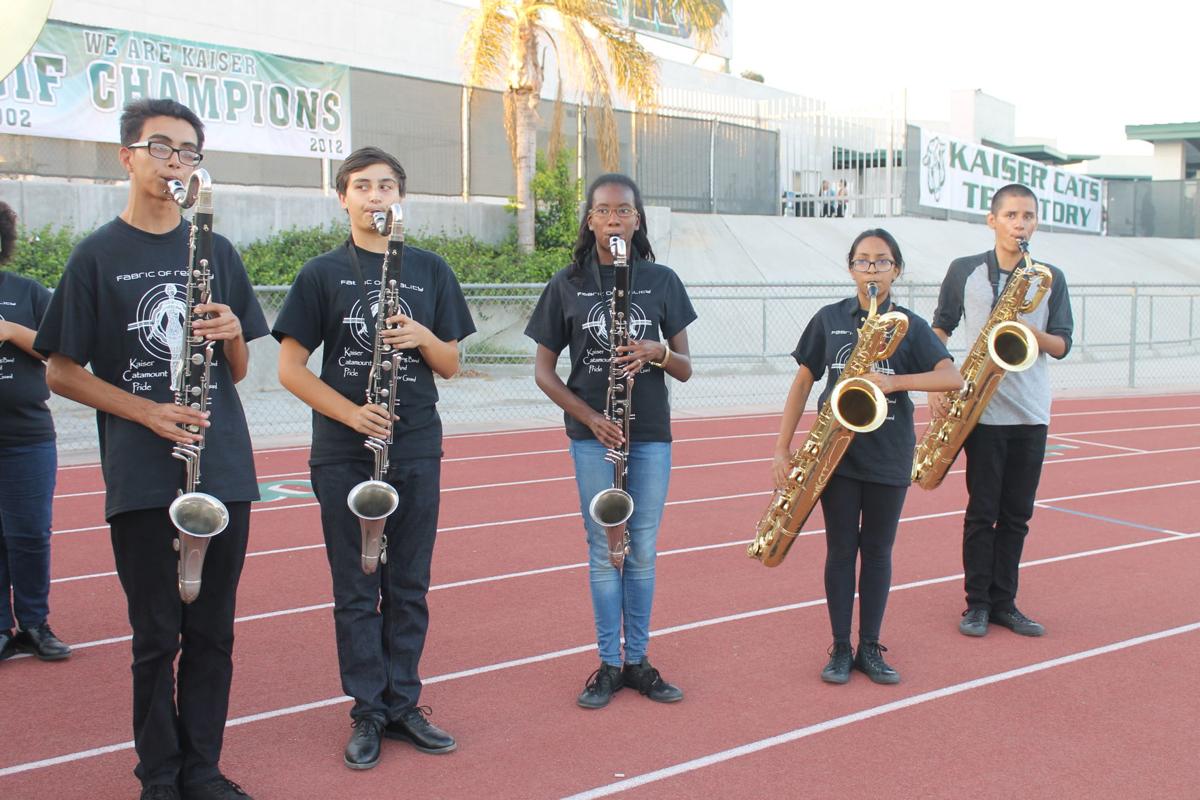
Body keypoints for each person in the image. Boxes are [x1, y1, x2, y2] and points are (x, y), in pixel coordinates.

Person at [34, 98, 268, 800]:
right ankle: (159, 776)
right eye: (161, 147)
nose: (175, 161)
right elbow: (59, 370)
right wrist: (145, 412)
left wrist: (229, 329)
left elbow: (238, 368)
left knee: (213, 634)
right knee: (155, 636)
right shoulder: (97, 255)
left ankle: (203, 770)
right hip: (141, 473)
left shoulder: (216, 248)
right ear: (127, 156)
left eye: (188, 150)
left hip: (219, 466)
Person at [273, 146, 476, 770]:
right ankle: (367, 707)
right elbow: (289, 368)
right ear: (343, 198)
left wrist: (422, 337)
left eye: (386, 185)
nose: (375, 196)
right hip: (344, 450)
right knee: (357, 586)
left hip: (415, 443)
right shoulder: (321, 273)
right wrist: (350, 413)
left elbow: (452, 364)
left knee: (409, 584)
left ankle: (403, 702)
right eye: (362, 186)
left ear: (400, 197)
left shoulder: (431, 270)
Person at [524, 173, 696, 709]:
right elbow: (545, 373)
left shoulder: (663, 280)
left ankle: (638, 661)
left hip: (649, 434)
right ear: (591, 220)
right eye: (603, 211)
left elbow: (686, 369)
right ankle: (608, 662)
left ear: (636, 219)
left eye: (624, 210)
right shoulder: (567, 283)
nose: (614, 218)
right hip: (592, 434)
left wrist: (657, 352)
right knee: (604, 550)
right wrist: (590, 418)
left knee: (640, 550)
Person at [772, 228, 961, 685]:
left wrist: (894, 383)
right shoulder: (828, 319)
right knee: (840, 551)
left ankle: (870, 646)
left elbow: (951, 378)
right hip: (833, 457)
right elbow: (802, 383)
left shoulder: (910, 326)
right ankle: (840, 646)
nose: (871, 269)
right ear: (851, 267)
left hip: (888, 454)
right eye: (863, 261)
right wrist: (782, 447)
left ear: (896, 269)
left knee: (877, 553)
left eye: (881, 261)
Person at [929, 183, 1073, 639]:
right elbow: (940, 329)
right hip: (981, 411)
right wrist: (937, 378)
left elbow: (1063, 343)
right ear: (992, 220)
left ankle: (1005, 602)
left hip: (1031, 411)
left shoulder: (1048, 277)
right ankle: (977, 604)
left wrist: (1029, 331)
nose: (1020, 223)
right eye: (1011, 215)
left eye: (1028, 216)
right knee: (981, 511)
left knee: (1017, 515)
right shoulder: (965, 270)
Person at [0, 201, 71, 664]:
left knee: (29, 534)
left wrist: (9, 330)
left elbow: (60, 352)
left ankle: (33, 623)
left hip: (26, 437)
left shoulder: (26, 292)